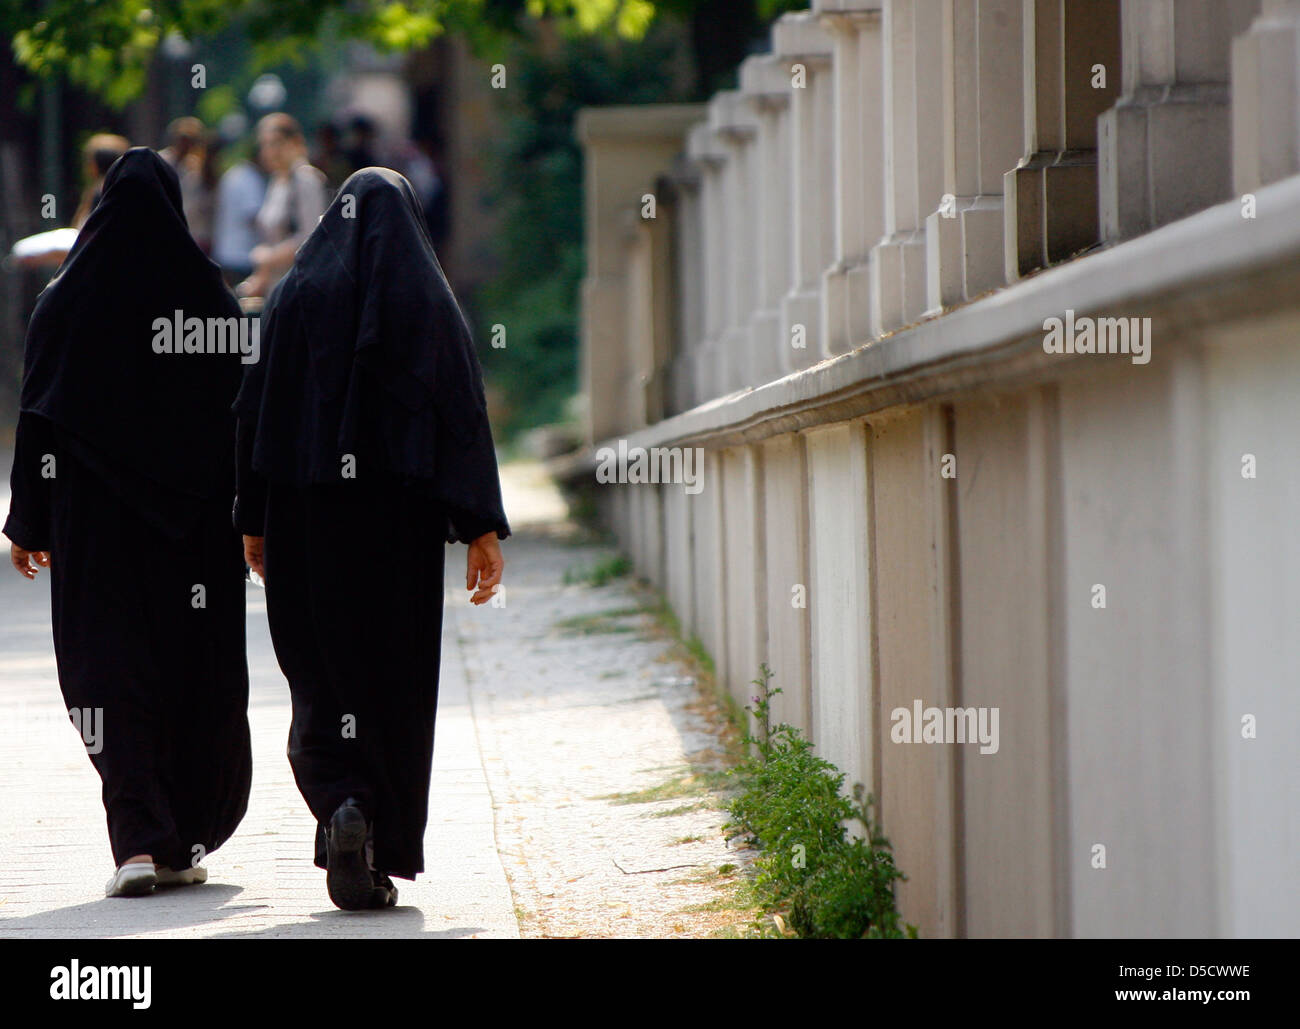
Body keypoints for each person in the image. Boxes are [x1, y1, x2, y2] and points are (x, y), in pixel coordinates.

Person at [232, 167, 509, 910]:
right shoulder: (426, 300)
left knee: (322, 672)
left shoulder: (293, 298)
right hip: (397, 535)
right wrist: (480, 525)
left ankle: (340, 798)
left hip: (307, 525)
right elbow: (460, 413)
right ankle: (375, 830)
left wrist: (254, 521)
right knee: (391, 678)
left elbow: (254, 417)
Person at [4, 148, 253, 898]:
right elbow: (245, 420)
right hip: (196, 537)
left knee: (109, 674)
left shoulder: (66, 301)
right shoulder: (209, 303)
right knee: (190, 673)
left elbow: (39, 417)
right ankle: (182, 836)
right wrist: (259, 518)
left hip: (98, 530)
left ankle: (140, 842)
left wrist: (29, 521)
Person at [239, 113, 327, 299]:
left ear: (295, 142)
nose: (270, 151)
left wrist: (268, 258)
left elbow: (310, 237)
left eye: (276, 143)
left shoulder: (306, 179)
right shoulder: (277, 180)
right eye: (265, 144)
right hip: (276, 287)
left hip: (300, 287)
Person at [212, 144, 268, 289]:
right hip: (242, 255)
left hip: (225, 252)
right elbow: (254, 217)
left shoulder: (233, 174)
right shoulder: (250, 179)